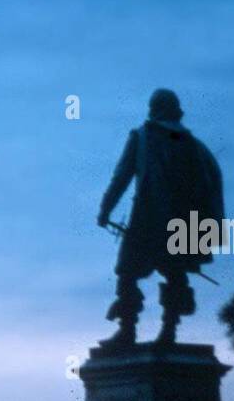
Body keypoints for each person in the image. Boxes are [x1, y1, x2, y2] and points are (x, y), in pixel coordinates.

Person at [96, 89, 224, 348]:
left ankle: (128, 331)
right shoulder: (192, 144)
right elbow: (208, 190)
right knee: (174, 275)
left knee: (128, 272)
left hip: (147, 220)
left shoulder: (142, 137)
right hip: (180, 224)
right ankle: (167, 331)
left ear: (153, 109)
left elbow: (121, 177)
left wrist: (105, 209)